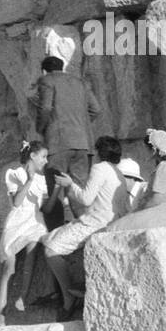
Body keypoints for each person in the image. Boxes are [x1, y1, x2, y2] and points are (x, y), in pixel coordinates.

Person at [41, 135, 126, 315]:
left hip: (96, 223)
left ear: (98, 152)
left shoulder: (99, 168)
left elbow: (86, 199)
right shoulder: (117, 172)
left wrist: (69, 184)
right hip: (112, 222)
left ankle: (68, 295)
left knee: (50, 247)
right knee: (55, 236)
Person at [29, 54, 102, 194]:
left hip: (58, 142)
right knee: (78, 190)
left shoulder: (47, 80)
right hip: (83, 144)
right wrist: (80, 124)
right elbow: (96, 109)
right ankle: (80, 216)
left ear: (44, 71)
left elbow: (45, 108)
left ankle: (58, 216)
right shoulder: (81, 83)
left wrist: (41, 127)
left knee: (55, 191)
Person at [0, 140, 49, 324]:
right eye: (43, 156)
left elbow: (45, 205)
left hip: (35, 219)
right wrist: (30, 180)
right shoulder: (14, 174)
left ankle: (23, 296)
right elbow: (16, 202)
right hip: (18, 220)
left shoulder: (43, 179)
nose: (45, 161)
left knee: (33, 248)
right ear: (32, 156)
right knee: (9, 267)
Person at [108, 129, 166, 231]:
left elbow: (157, 199)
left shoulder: (165, 166)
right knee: (120, 224)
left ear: (154, 149)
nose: (145, 151)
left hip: (160, 215)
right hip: (165, 215)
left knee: (114, 228)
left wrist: (140, 209)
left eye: (147, 148)